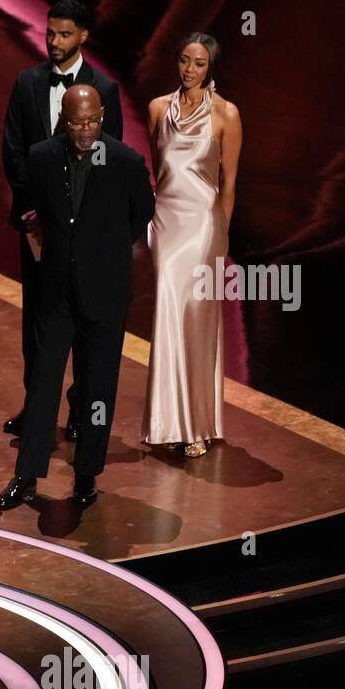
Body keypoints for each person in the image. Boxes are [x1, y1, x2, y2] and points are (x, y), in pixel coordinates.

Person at [0, 85, 154, 510]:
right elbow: (36, 212)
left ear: (102, 115)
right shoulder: (42, 156)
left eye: (93, 121)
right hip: (56, 291)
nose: (86, 130)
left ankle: (87, 474)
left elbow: (141, 214)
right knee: (43, 385)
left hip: (105, 292)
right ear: (62, 122)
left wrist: (100, 249)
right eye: (77, 122)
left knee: (98, 388)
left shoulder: (125, 161)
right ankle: (26, 477)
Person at [1, 0, 124, 442]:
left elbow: (107, 162)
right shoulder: (27, 82)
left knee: (84, 322)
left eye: (64, 34)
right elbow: (13, 151)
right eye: (50, 33)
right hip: (36, 228)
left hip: (81, 232)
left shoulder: (104, 90)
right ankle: (37, 408)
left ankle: (78, 410)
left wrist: (69, 213)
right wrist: (34, 207)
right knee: (37, 319)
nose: (54, 41)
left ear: (84, 36)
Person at [142, 33, 243, 458]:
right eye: (184, 61)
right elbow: (159, 171)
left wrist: (220, 240)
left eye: (198, 63)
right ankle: (168, 420)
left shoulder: (226, 115)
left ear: (211, 67)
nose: (189, 70)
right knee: (168, 311)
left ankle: (197, 423)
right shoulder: (157, 109)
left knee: (197, 319)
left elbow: (229, 185)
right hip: (166, 223)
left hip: (203, 227)